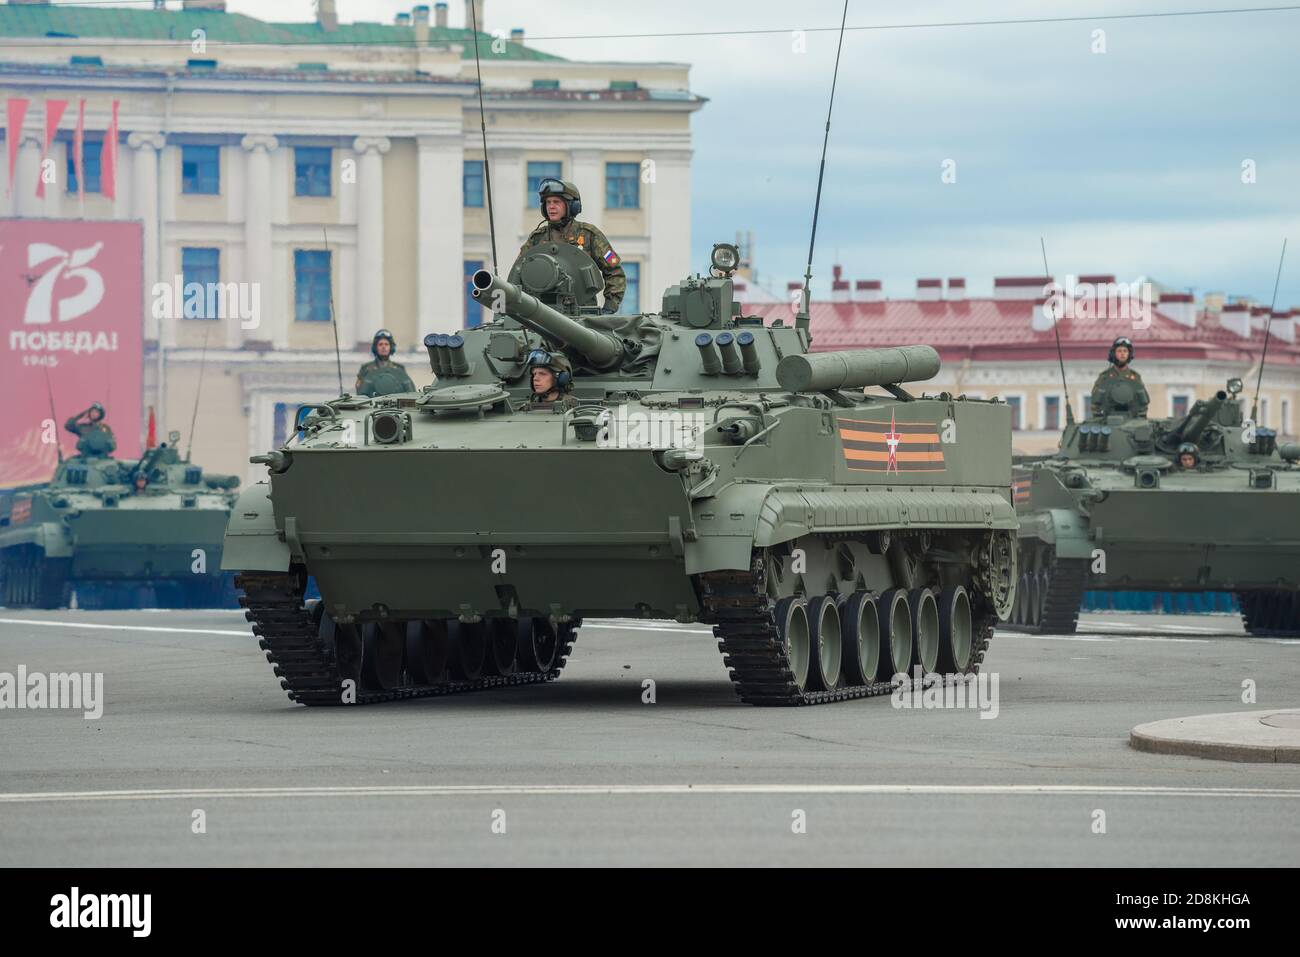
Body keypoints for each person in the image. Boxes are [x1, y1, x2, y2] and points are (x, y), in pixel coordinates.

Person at [514, 178, 626, 314]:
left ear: (571, 206)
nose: (551, 206)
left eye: (557, 202)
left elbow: (615, 271)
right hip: (543, 314)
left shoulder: (589, 235)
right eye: (548, 202)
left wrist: (609, 307)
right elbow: (518, 273)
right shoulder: (537, 239)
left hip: (582, 315)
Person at [1090, 336, 1149, 417]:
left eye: (1125, 351)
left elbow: (1143, 403)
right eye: (1119, 351)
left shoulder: (1135, 377)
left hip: (1132, 419)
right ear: (1113, 353)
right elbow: (1095, 402)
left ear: (1129, 354)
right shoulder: (1105, 377)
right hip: (1109, 419)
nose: (1122, 354)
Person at [355, 329, 415, 397]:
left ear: (391, 347)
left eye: (386, 344)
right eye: (380, 344)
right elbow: (360, 391)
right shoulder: (366, 368)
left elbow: (409, 391)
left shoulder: (399, 368)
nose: (384, 347)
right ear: (376, 347)